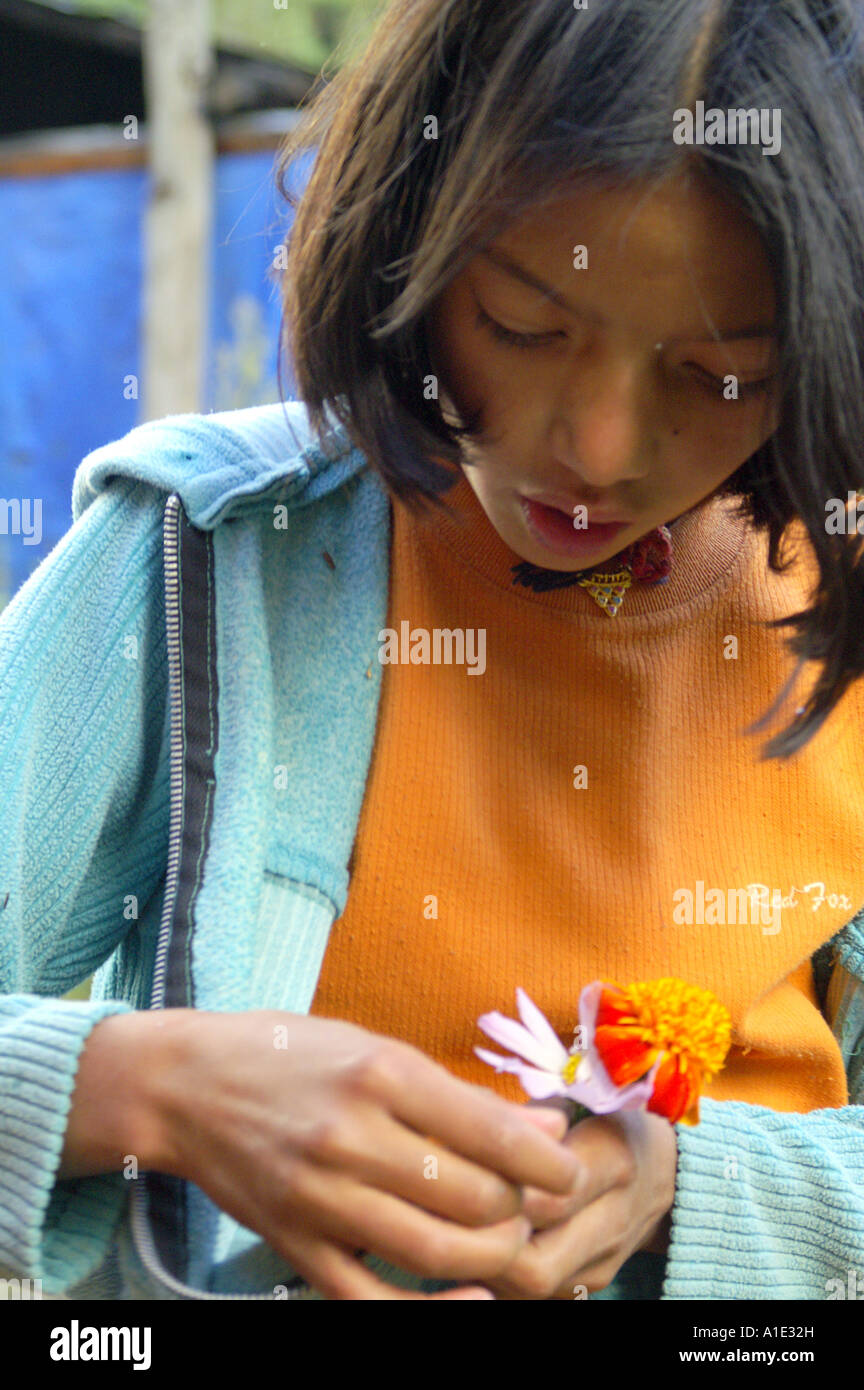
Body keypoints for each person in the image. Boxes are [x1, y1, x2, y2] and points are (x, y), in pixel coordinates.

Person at [3, 0, 864, 1302]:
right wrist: (149, 1089)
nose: (599, 445)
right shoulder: (211, 559)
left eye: (717, 374)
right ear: (410, 228)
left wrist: (684, 1181)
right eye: (525, 324)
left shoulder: (838, 625)